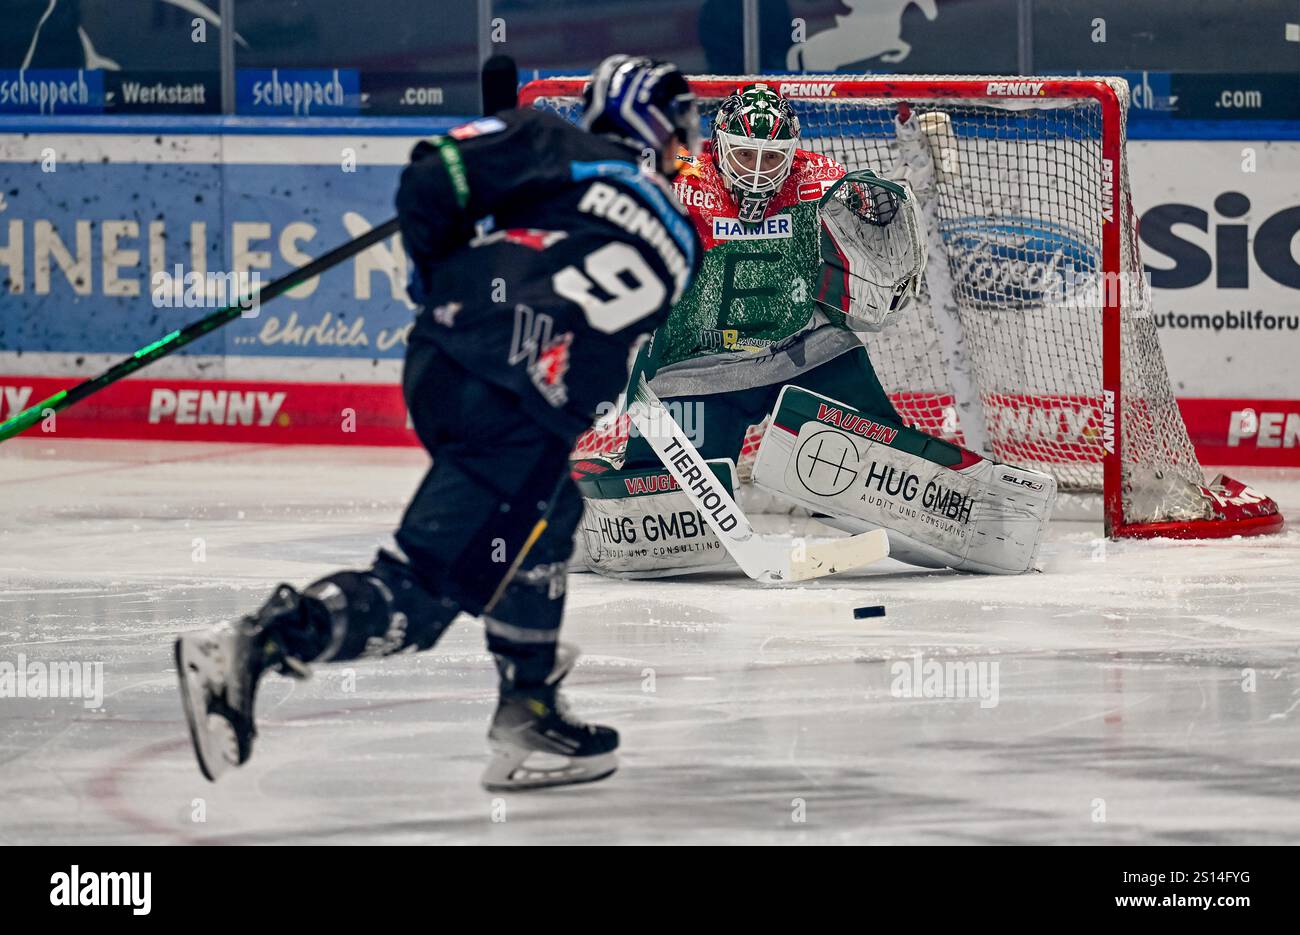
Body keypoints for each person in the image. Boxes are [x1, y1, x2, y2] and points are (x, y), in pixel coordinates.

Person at [175, 55, 702, 792]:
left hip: (455, 364)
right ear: (655, 124)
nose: (686, 149)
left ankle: (529, 704)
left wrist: (441, 267)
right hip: (516, 405)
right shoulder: (682, 235)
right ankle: (255, 644)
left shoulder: (558, 148)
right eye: (681, 134)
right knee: (420, 598)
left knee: (549, 515)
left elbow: (435, 175)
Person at [576, 83, 1055, 579]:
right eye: (743, 156)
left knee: (886, 457)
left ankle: (970, 514)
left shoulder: (816, 177)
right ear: (717, 145)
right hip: (697, 369)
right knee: (664, 509)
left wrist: (881, 203)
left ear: (792, 153)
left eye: (771, 159)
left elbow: (875, 217)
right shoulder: (679, 181)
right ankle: (563, 502)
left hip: (804, 350)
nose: (757, 172)